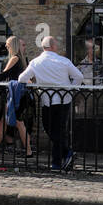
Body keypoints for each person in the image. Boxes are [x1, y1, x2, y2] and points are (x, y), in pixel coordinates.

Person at [17, 36, 84, 171]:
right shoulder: (64, 61)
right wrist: (70, 90)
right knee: (58, 131)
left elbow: (21, 78)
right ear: (54, 47)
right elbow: (79, 77)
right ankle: (64, 154)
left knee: (50, 129)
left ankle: (57, 162)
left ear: (43, 47)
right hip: (63, 99)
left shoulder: (36, 62)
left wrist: (34, 83)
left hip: (46, 100)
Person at [0, 35, 34, 156]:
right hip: (17, 94)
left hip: (14, 95)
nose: (6, 47)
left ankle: (29, 151)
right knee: (5, 122)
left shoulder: (14, 58)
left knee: (18, 123)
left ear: (12, 46)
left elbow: (3, 75)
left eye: (8, 45)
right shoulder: (21, 58)